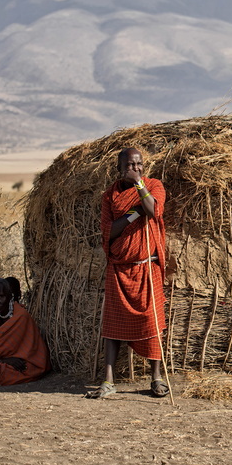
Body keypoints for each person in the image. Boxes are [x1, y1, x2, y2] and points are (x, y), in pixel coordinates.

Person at [87, 147, 168, 399]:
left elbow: (153, 210)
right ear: (119, 169)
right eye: (130, 166)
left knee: (152, 322)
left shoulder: (154, 185)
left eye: (139, 164)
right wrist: (134, 214)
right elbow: (108, 232)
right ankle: (108, 381)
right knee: (112, 325)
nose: (136, 169)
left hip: (147, 265)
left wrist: (139, 187)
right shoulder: (110, 195)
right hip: (120, 267)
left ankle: (156, 378)